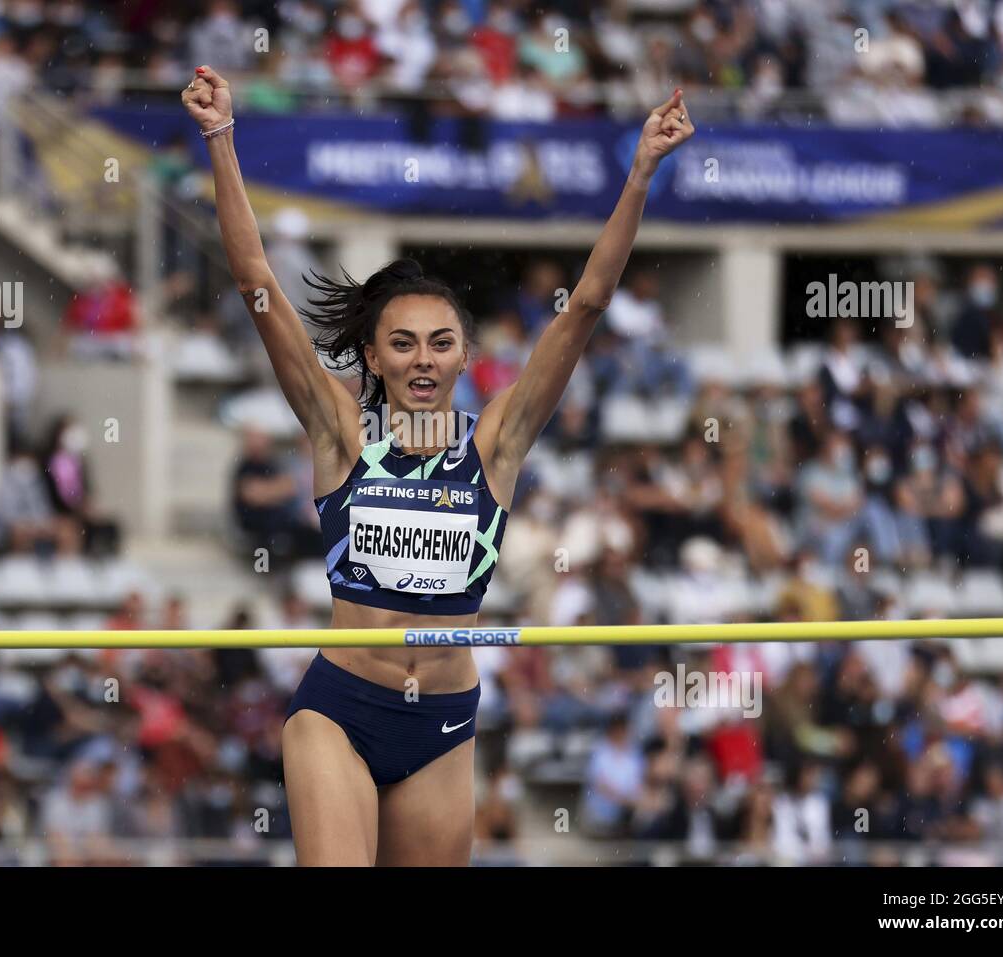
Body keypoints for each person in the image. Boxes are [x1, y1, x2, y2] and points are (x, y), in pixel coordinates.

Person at [183, 64, 694, 865]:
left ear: (464, 358)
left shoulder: (497, 442)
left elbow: (586, 305)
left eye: (441, 342)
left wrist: (639, 174)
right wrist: (220, 137)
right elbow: (257, 284)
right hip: (340, 709)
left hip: (443, 721)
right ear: (376, 357)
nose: (423, 358)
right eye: (403, 342)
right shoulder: (339, 431)